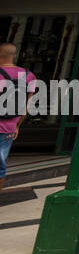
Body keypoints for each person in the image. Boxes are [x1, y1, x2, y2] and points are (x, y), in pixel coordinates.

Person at [0, 43, 36, 193]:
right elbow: (26, 108)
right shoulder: (29, 76)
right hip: (8, 128)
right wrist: (17, 126)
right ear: (14, 55)